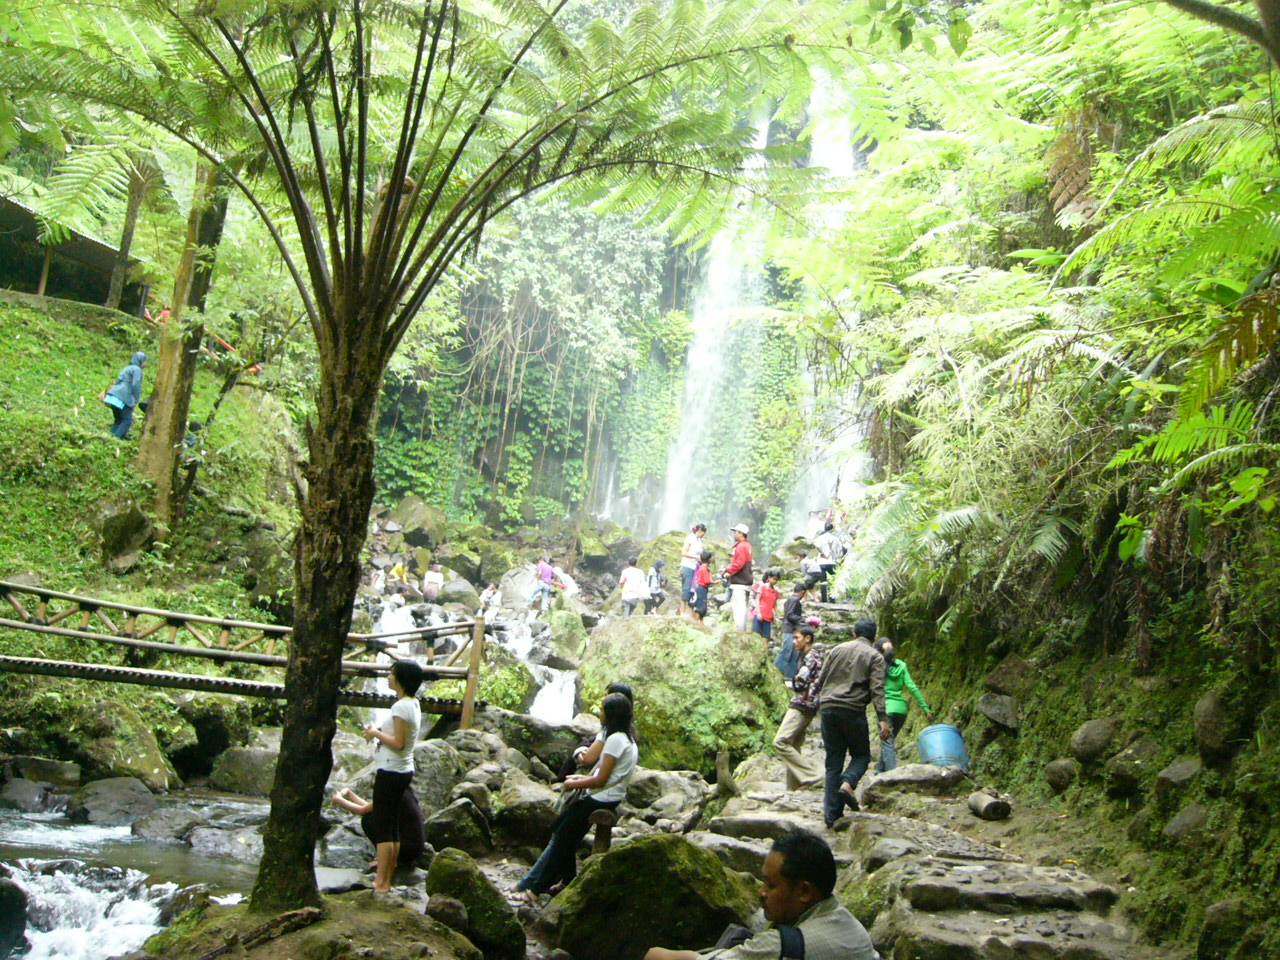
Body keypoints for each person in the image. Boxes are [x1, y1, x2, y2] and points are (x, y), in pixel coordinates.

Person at [644, 830, 879, 960]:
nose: (761, 892)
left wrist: (660, 956)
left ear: (804, 891)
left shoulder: (781, 946)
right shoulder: (851, 926)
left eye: (771, 885)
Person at [515, 692, 639, 901]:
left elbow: (601, 780)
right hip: (607, 795)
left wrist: (573, 783)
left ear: (611, 715)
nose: (599, 713)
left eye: (602, 710)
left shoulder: (615, 740)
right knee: (563, 834)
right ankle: (562, 880)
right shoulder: (626, 737)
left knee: (561, 838)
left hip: (601, 797)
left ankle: (534, 890)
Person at [330, 658, 423, 892]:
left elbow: (400, 742)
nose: (388, 677)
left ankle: (381, 883)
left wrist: (374, 732)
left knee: (385, 830)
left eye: (392, 674)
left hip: (392, 770)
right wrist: (378, 732)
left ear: (401, 679)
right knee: (390, 828)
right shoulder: (412, 703)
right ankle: (386, 880)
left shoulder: (400, 707)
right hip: (401, 769)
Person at [815, 618, 890, 828]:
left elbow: (821, 679)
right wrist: (883, 719)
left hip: (828, 708)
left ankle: (832, 817)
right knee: (861, 755)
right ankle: (848, 782)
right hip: (853, 710)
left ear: (854, 633)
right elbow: (877, 689)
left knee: (833, 762)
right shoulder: (875, 656)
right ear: (874, 637)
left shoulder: (837, 649)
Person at [331, 786, 426, 878]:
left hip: (406, 849)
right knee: (374, 817)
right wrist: (350, 794)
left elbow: (362, 811)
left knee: (367, 820)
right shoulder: (402, 789)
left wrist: (339, 800)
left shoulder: (391, 793)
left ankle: (389, 860)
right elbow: (371, 807)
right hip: (415, 848)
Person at [772, 626, 823, 791]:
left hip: (802, 704)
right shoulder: (809, 656)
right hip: (810, 704)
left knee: (780, 742)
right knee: (793, 745)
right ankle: (793, 787)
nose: (794, 641)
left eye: (797, 638)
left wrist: (792, 682)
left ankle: (812, 775)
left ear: (807, 638)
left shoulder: (811, 657)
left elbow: (801, 682)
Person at [874, 638, 932, 773]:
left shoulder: (878, 665)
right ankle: (879, 770)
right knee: (889, 740)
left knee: (888, 743)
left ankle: (891, 776)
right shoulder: (901, 665)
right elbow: (912, 687)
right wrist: (925, 708)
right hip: (901, 710)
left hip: (886, 709)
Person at [101, 350, 147, 439]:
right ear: (140, 360)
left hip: (114, 394)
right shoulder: (137, 370)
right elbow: (136, 384)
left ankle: (112, 437)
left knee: (119, 419)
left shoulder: (128, 368)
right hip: (123, 396)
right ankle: (116, 439)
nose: (146, 364)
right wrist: (135, 399)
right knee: (127, 420)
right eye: (145, 361)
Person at [721, 523, 754, 632]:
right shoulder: (748, 546)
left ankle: (739, 629)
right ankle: (743, 628)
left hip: (740, 581)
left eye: (735, 532)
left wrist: (728, 571)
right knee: (744, 605)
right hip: (747, 580)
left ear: (741, 533)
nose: (734, 534)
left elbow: (739, 564)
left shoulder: (740, 546)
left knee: (739, 606)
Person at [775, 582, 807, 679]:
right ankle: (774, 670)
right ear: (802, 592)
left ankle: (790, 676)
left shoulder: (789, 599)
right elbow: (790, 615)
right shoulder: (796, 600)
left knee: (794, 653)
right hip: (790, 629)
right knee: (787, 652)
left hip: (789, 628)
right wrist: (803, 620)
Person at [679, 523, 707, 618]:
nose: (703, 534)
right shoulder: (690, 538)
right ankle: (682, 611)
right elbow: (684, 552)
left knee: (692, 590)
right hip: (687, 566)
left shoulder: (699, 541)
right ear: (699, 531)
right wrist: (696, 557)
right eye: (703, 532)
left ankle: (689, 613)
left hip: (695, 568)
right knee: (686, 589)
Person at [751, 568, 782, 639]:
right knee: (756, 635)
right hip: (759, 615)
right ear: (769, 578)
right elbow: (757, 599)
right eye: (773, 579)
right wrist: (758, 613)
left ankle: (765, 649)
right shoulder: (762, 587)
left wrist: (779, 616)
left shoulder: (776, 592)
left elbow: (775, 606)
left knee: (766, 637)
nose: (775, 581)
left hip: (768, 617)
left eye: (776, 580)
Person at [690, 549, 713, 622]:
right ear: (709, 559)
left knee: (702, 604)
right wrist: (714, 582)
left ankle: (701, 621)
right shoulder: (704, 568)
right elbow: (706, 580)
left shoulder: (701, 567)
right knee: (700, 605)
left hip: (700, 588)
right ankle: (697, 622)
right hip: (701, 588)